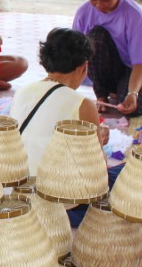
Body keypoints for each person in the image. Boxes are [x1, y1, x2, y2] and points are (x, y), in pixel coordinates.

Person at [10, 28, 107, 176]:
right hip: (56, 191)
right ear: (83, 67)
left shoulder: (22, 92)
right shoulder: (82, 104)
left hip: (15, 183)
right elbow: (98, 166)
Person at [71, 0, 142, 118]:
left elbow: (141, 63)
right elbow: (76, 56)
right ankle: (102, 95)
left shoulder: (134, 15)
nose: (99, 5)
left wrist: (133, 93)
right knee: (95, 39)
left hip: (132, 68)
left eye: (106, 0)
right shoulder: (83, 13)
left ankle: (122, 90)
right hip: (105, 69)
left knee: (133, 107)